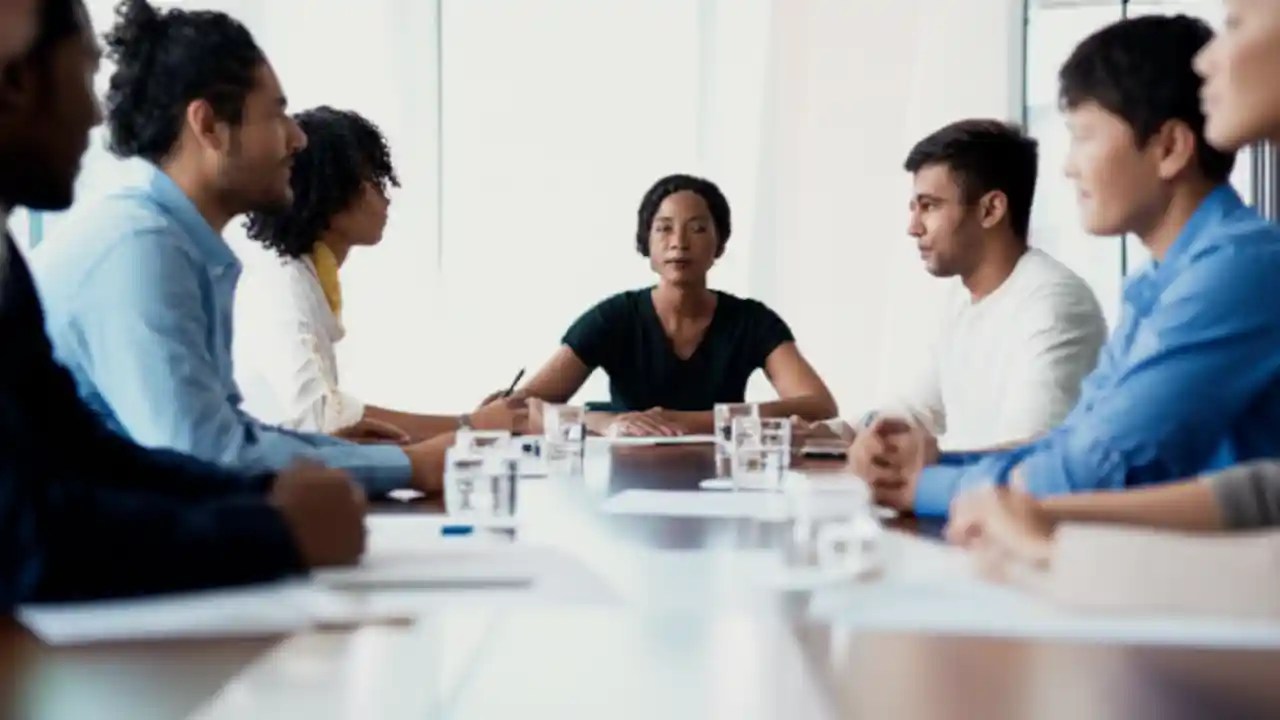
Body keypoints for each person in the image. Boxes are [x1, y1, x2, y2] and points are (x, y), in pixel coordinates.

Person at [29, 0, 511, 493]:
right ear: (209, 127)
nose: (298, 138)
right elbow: (207, 456)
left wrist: (353, 454)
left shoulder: (171, 240)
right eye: (277, 113)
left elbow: (227, 432)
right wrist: (411, 465)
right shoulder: (139, 249)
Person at [0, 0, 365, 607]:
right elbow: (23, 537)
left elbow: (82, 452)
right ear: (16, 78)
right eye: (83, 74)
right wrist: (274, 531)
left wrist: (265, 496)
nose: (96, 114)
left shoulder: (9, 261)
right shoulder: (135, 243)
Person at [861, 14, 1280, 518]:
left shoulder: (1236, 270)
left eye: (1083, 136)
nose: (1067, 166)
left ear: (1168, 148)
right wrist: (928, 469)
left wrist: (925, 485)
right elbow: (1074, 443)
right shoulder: (1157, 280)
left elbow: (1101, 468)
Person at [816, 120, 1105, 468]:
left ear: (990, 210)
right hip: (966, 493)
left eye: (929, 206)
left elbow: (1031, 452)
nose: (913, 227)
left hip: (1006, 499)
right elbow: (917, 410)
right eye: (914, 207)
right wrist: (826, 434)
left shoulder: (1054, 305)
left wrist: (918, 466)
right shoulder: (962, 297)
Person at [502, 173, 838, 437]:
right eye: (664, 228)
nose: (679, 242)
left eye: (698, 229)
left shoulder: (751, 320)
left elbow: (819, 405)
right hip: (626, 477)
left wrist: (691, 421)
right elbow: (518, 407)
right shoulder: (614, 317)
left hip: (721, 477)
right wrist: (602, 421)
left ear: (720, 243)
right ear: (645, 243)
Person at [235, 106, 489, 442]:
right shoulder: (281, 288)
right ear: (331, 191)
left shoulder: (306, 279)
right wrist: (471, 424)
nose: (386, 197)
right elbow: (325, 419)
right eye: (373, 180)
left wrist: (473, 423)